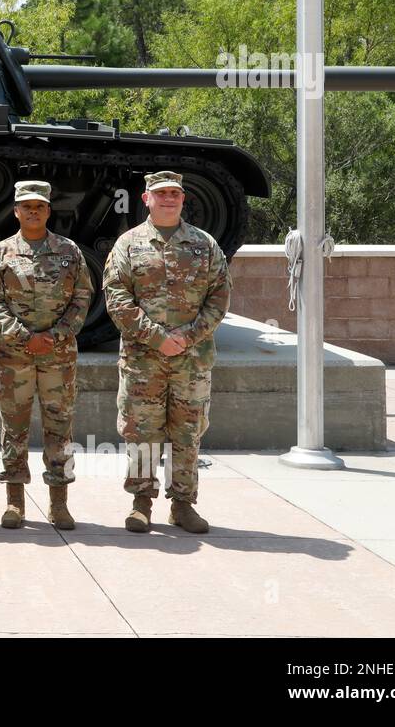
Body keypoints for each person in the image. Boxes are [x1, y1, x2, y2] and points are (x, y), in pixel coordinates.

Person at [104, 170, 231, 534]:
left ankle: (183, 504)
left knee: (187, 432)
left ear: (183, 199)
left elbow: (220, 297)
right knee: (142, 432)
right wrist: (157, 337)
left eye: (175, 193)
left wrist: (188, 336)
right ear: (147, 199)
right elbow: (117, 298)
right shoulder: (128, 244)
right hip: (144, 360)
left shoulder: (205, 245)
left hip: (192, 360)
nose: (169, 199)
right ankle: (141, 502)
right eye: (161, 194)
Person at [0, 180, 92, 529]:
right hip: (14, 356)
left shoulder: (69, 251)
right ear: (15, 211)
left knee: (60, 429)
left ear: (48, 210)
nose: (33, 211)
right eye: (26, 206)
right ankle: (15, 502)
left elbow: (82, 298)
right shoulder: (1, 253)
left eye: (39, 206)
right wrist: (23, 336)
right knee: (14, 428)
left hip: (58, 358)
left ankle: (59, 503)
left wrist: (55, 335)